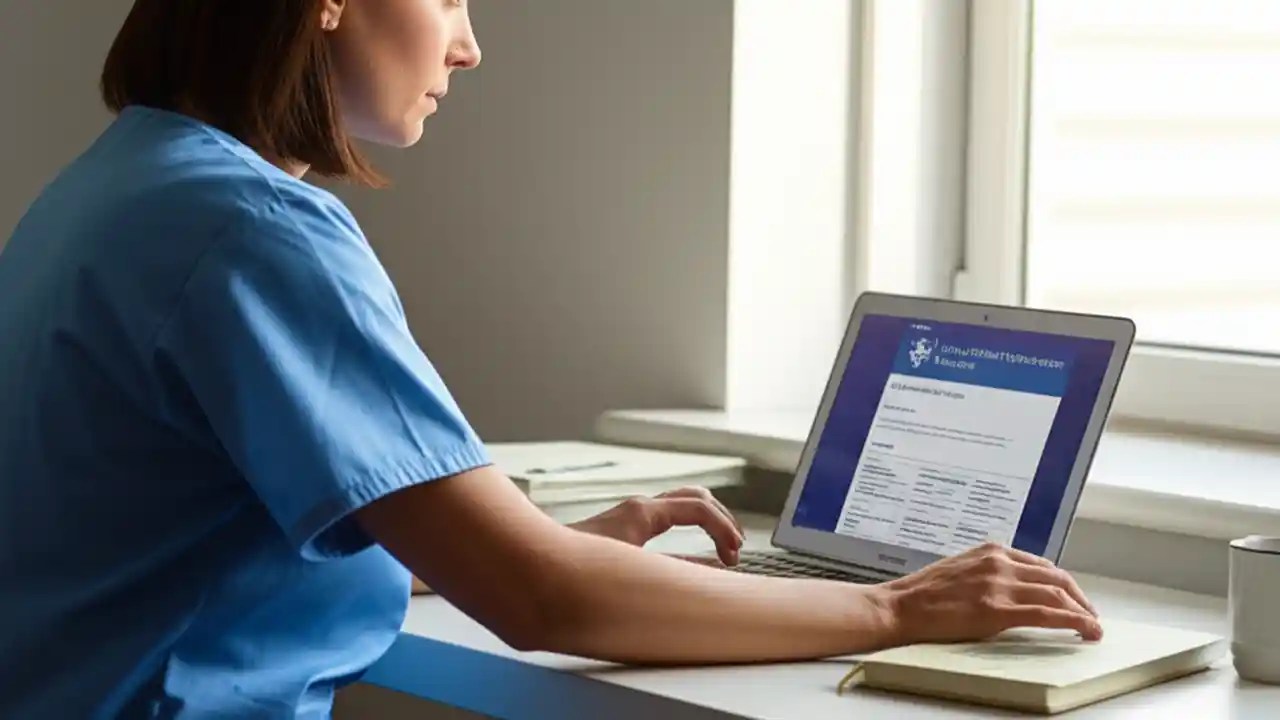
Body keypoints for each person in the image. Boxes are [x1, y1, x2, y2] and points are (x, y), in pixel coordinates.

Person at [0, 1, 1103, 717]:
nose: (468, 44)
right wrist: (892, 612)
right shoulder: (253, 229)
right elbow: (539, 606)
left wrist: (525, 542)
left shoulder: (116, 185)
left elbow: (174, 532)